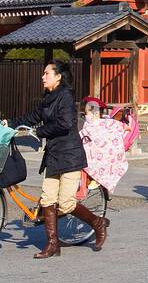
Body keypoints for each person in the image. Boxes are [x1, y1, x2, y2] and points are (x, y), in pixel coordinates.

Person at [14, 61, 108, 257]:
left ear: (58, 77)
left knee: (66, 204)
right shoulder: (48, 97)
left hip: (70, 154)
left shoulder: (65, 96)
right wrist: (10, 124)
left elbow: (65, 124)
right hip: (54, 154)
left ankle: (98, 223)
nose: (43, 76)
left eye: (46, 73)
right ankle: (52, 244)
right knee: (47, 198)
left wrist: (39, 131)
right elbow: (33, 116)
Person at [79, 97, 129, 196]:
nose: (86, 115)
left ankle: (95, 178)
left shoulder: (105, 124)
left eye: (88, 112)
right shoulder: (94, 122)